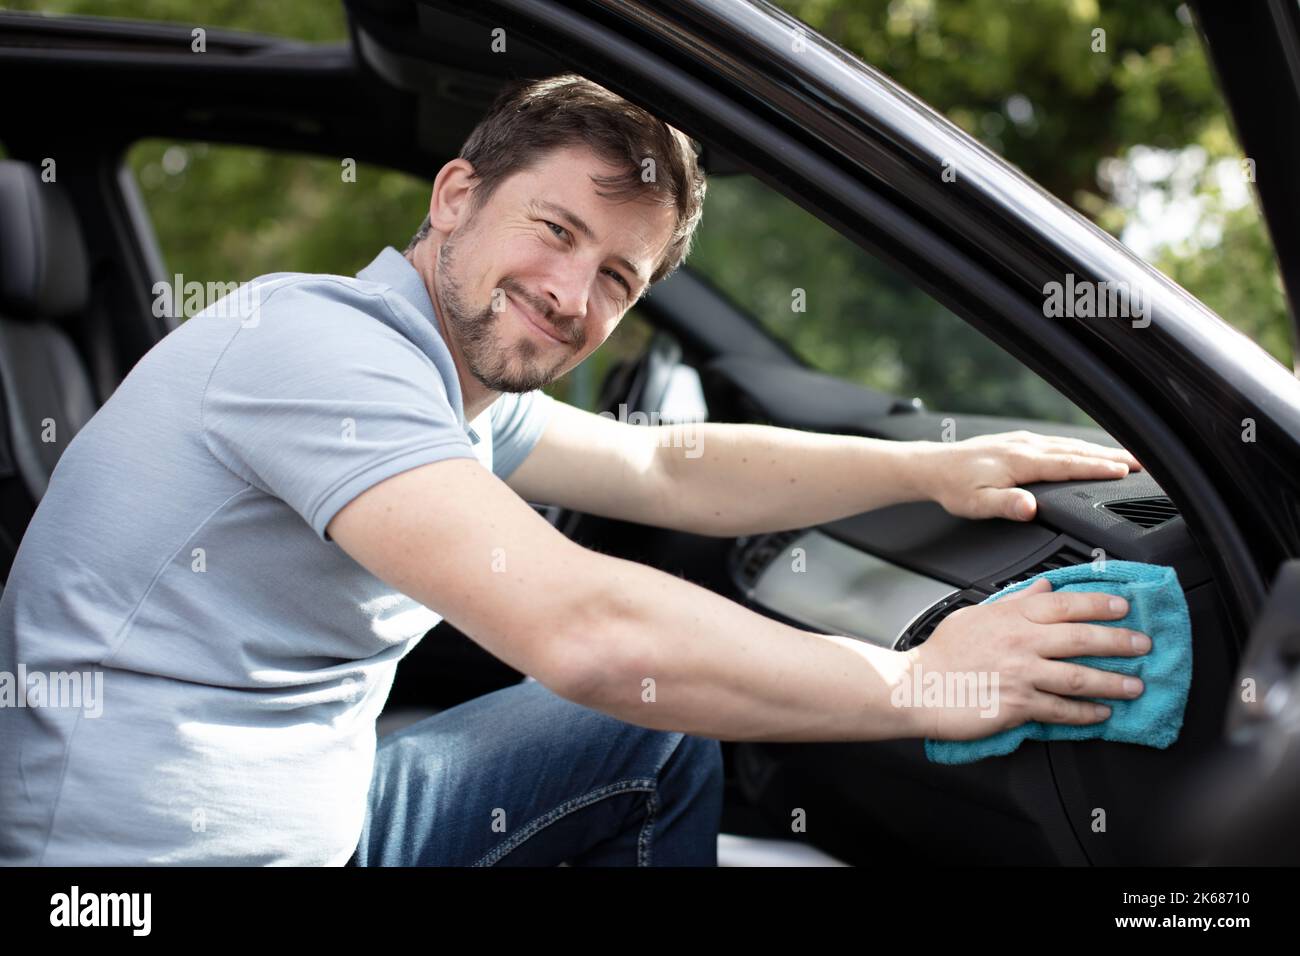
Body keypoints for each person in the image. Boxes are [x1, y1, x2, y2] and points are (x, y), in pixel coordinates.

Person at [0, 73, 1149, 867]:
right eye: (553, 230)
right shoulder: (317, 352)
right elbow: (587, 632)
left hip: (316, 819)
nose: (570, 294)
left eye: (617, 277)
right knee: (631, 707)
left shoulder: (442, 379)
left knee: (643, 736)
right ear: (456, 195)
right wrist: (924, 682)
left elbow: (664, 469)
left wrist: (924, 468)